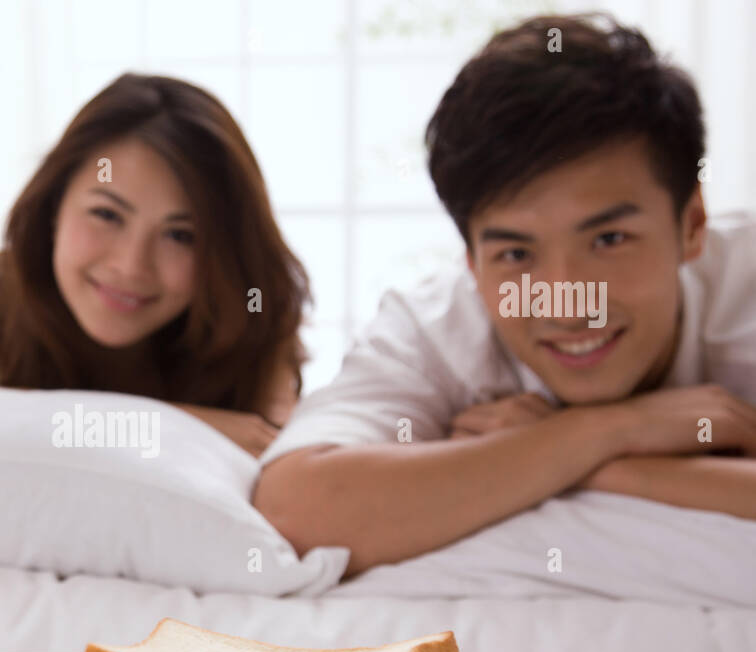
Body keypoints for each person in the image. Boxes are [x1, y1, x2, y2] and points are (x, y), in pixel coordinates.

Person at [254, 13, 756, 577]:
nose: (564, 299)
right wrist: (603, 433)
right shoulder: (433, 329)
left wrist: (592, 464)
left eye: (608, 239)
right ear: (471, 262)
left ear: (691, 225)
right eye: (516, 255)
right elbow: (292, 508)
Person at [0, 73, 309, 457]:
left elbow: (269, 457)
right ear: (53, 205)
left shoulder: (254, 315)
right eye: (107, 215)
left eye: (181, 235)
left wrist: (11, 414)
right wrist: (180, 425)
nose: (131, 267)